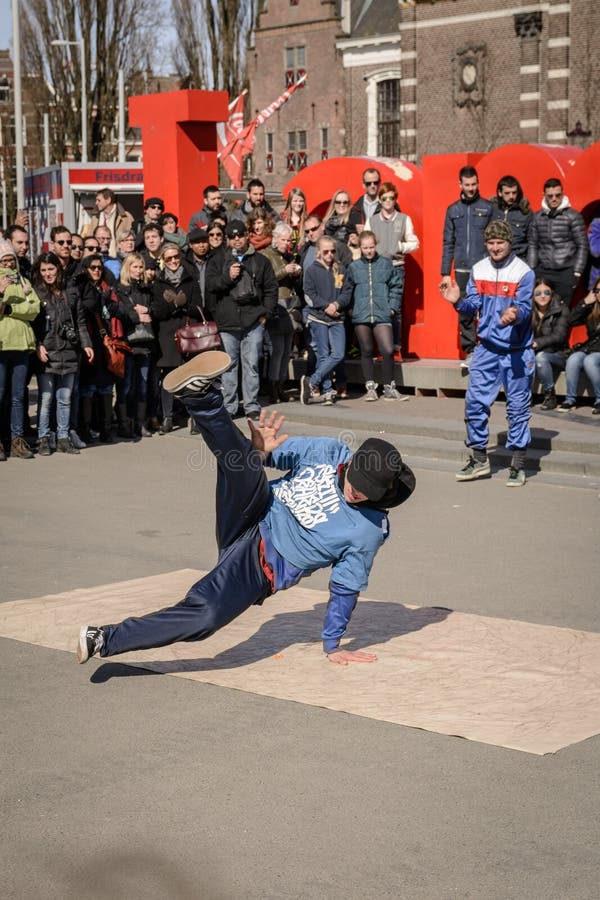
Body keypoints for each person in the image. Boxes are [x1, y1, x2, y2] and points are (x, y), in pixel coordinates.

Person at [77, 349, 416, 666]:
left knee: (206, 617)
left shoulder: (368, 531)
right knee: (245, 463)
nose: (357, 493)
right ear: (351, 461)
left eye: (367, 492)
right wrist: (263, 449)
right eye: (355, 482)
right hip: (254, 509)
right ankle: (200, 395)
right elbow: (270, 455)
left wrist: (333, 644)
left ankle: (104, 638)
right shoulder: (329, 452)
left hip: (260, 565)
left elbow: (346, 586)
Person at [439, 220, 535, 487]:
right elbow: (472, 307)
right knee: (474, 404)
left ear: (509, 243)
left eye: (500, 242)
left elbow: (526, 309)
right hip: (487, 349)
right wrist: (458, 301)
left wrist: (514, 314)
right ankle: (480, 460)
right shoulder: (479, 269)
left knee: (517, 408)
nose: (495, 247)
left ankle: (517, 466)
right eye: (491, 243)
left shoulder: (523, 272)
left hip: (517, 351)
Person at [205, 219, 278, 420]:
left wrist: (266, 315)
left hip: (254, 321)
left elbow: (271, 289)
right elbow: (210, 287)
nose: (237, 240)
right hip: (227, 323)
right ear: (227, 239)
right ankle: (229, 406)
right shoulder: (217, 260)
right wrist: (227, 277)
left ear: (247, 235)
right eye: (232, 237)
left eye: (240, 235)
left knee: (251, 364)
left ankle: (251, 405)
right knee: (229, 367)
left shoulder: (261, 261)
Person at [32, 252, 93, 455]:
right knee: (47, 397)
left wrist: (86, 344)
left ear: (58, 269)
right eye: (43, 270)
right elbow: (32, 325)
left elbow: (81, 322)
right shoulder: (36, 293)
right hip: (47, 352)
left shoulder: (71, 291)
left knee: (65, 397)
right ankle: (43, 437)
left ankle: (63, 437)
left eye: (51, 269)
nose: (48, 274)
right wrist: (37, 345)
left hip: (70, 350)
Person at [339, 231, 406, 402]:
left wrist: (392, 308)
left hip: (382, 313)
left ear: (376, 245)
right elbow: (347, 290)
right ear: (360, 247)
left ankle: (390, 387)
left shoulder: (385, 264)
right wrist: (350, 309)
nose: (368, 251)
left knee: (388, 350)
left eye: (371, 247)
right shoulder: (354, 267)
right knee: (366, 350)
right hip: (361, 314)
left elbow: (396, 287)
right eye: (365, 248)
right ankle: (370, 387)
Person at [440, 166, 493, 369]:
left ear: (478, 183)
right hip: (461, 269)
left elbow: (494, 239)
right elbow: (448, 242)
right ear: (460, 184)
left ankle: (488, 349)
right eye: (467, 184)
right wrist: (446, 273)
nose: (471, 188)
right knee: (464, 312)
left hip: (484, 268)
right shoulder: (453, 210)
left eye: (474, 184)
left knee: (487, 309)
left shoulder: (488, 208)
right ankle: (471, 351)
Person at [150, 242, 203, 433]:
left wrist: (183, 304)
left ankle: (195, 418)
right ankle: (167, 417)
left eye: (176, 257)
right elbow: (157, 312)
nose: (173, 261)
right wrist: (173, 305)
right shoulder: (158, 283)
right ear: (163, 261)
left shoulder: (190, 279)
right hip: (166, 336)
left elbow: (198, 308)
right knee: (168, 379)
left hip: (188, 334)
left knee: (190, 378)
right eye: (169, 258)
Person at [365, 181, 419, 360]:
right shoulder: (372, 220)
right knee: (379, 308)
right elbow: (365, 240)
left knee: (395, 310)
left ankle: (396, 348)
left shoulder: (404, 219)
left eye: (391, 198)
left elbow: (415, 243)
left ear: (396, 199)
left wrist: (400, 246)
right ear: (379, 200)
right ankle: (382, 349)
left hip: (396, 268)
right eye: (384, 198)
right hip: (377, 268)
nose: (388, 201)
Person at [0, 240, 41, 460]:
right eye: (4, 260)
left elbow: (33, 308)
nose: (8, 264)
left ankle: (17, 439)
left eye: (11, 260)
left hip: (21, 345)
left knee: (17, 396)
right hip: (2, 344)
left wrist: (10, 308)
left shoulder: (23, 280)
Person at [301, 235, 348, 406]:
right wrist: (326, 306)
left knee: (338, 353)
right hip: (318, 318)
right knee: (323, 355)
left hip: (337, 318)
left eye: (332, 251)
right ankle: (328, 390)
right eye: (326, 251)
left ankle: (312, 382)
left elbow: (347, 292)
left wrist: (336, 304)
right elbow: (309, 293)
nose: (330, 254)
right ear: (319, 252)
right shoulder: (311, 271)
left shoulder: (340, 269)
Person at [527, 178, 588, 305]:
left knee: (563, 310)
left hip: (566, 272)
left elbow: (582, 245)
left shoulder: (573, 216)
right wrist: (532, 269)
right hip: (543, 270)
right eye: (550, 196)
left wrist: (577, 272)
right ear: (544, 195)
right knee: (540, 310)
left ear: (563, 194)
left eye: (558, 195)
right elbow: (533, 244)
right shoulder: (537, 217)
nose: (554, 198)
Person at [261, 222, 303, 403]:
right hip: (276, 304)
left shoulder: (286, 256)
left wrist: (295, 274)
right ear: (275, 239)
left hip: (289, 304)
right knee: (277, 351)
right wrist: (284, 271)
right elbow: (267, 279)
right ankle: (272, 388)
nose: (287, 243)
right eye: (284, 240)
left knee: (286, 350)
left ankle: (281, 386)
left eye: (289, 240)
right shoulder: (266, 255)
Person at [117, 253, 157, 437]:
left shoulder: (146, 290)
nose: (139, 271)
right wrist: (136, 316)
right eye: (135, 267)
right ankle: (125, 423)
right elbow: (118, 313)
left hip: (145, 343)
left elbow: (157, 310)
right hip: (127, 344)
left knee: (142, 385)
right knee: (126, 386)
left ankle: (140, 423)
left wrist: (148, 311)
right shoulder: (120, 289)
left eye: (141, 267)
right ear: (127, 268)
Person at [558, 276, 600, 414]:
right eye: (597, 290)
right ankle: (570, 399)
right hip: (590, 348)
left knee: (590, 361)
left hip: (595, 353)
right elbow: (571, 320)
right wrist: (586, 302)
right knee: (574, 359)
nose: (599, 294)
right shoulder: (592, 310)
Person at [530, 280, 570, 410]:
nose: (542, 296)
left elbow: (559, 336)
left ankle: (550, 396)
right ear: (533, 295)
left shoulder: (562, 309)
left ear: (552, 294)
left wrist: (537, 343)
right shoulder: (528, 309)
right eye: (538, 293)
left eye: (546, 292)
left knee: (541, 357)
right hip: (534, 352)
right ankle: (524, 396)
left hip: (557, 355)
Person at [489, 175, 532, 262]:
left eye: (514, 192)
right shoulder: (491, 209)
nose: (511, 197)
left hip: (518, 260)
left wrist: (530, 266)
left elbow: (532, 242)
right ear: (500, 193)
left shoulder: (525, 212)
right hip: (495, 261)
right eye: (507, 193)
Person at [86, 188, 134, 256]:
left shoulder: (126, 217)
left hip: (118, 258)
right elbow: (89, 238)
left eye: (99, 200)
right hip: (98, 258)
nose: (96, 203)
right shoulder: (95, 218)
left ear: (108, 200)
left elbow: (132, 238)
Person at [351, 167, 382, 231]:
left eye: (375, 182)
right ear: (363, 185)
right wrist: (354, 234)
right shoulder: (355, 208)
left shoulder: (388, 205)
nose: (372, 186)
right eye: (368, 183)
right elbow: (349, 229)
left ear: (379, 183)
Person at [281, 187, 307, 253]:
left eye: (301, 201)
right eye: (295, 201)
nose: (298, 204)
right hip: (286, 255)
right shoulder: (282, 218)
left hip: (301, 255)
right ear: (290, 202)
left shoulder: (307, 220)